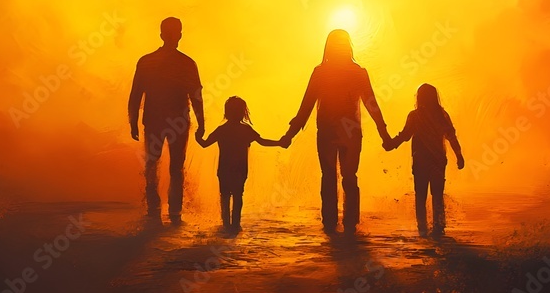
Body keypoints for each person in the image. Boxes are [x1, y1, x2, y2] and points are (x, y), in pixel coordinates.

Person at [281, 29, 389, 234]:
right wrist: (384, 135)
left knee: (329, 176)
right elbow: (372, 105)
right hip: (350, 133)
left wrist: (289, 135)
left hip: (328, 132)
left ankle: (330, 223)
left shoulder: (321, 72)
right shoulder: (357, 72)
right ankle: (350, 224)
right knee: (349, 176)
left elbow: (306, 107)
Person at [128, 17, 205, 226]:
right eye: (172, 32)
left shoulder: (154, 61)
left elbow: (195, 95)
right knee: (163, 166)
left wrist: (133, 121)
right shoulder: (178, 62)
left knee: (162, 166)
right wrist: (132, 121)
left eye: (175, 32)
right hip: (168, 120)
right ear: (163, 35)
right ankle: (167, 212)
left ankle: (165, 212)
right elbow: (136, 93)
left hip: (164, 120)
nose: (174, 36)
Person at [384, 83, 465, 237]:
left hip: (420, 161)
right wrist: (459, 156)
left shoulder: (415, 116)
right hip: (438, 161)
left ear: (419, 97)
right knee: (437, 195)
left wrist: (391, 144)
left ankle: (422, 229)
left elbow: (405, 136)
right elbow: (452, 137)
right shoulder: (441, 115)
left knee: (420, 196)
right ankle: (439, 228)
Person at [198, 96, 286, 232]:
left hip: (224, 169)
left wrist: (198, 135)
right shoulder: (245, 130)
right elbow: (262, 141)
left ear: (226, 112)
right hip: (240, 169)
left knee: (225, 196)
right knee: (238, 195)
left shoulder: (222, 130)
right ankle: (235, 226)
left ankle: (226, 225)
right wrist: (280, 143)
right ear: (243, 112)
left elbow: (204, 144)